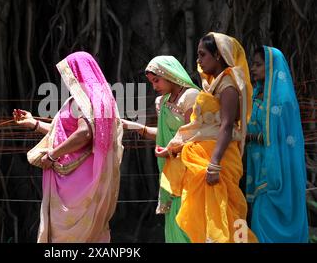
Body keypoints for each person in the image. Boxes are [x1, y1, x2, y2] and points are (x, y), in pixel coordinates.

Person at [13, 51, 123, 242]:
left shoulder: (83, 101)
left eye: (69, 74)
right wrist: (34, 123)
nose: (67, 80)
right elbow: (64, 133)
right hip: (79, 178)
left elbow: (83, 134)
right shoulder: (96, 100)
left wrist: (53, 155)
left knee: (67, 237)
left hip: (75, 181)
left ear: (79, 74)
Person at [161, 32, 257, 242]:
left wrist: (214, 164)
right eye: (198, 55)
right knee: (207, 218)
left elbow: (226, 126)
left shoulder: (228, 87)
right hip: (203, 160)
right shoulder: (213, 87)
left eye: (203, 54)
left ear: (218, 55)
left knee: (223, 216)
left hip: (217, 161)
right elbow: (203, 127)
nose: (198, 60)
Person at [121, 56, 199, 242]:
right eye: (151, 82)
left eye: (157, 80)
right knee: (173, 216)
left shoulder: (191, 97)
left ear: (170, 75)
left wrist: (171, 150)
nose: (154, 86)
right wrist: (136, 127)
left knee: (188, 216)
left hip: (190, 168)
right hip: (170, 168)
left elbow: (195, 136)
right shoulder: (162, 102)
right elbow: (164, 135)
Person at [246, 46, 308, 242]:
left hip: (279, 168)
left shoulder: (283, 101)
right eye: (252, 64)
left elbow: (281, 138)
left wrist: (250, 137)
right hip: (258, 167)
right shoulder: (255, 95)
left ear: (272, 67)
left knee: (262, 217)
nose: (253, 69)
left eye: (258, 64)